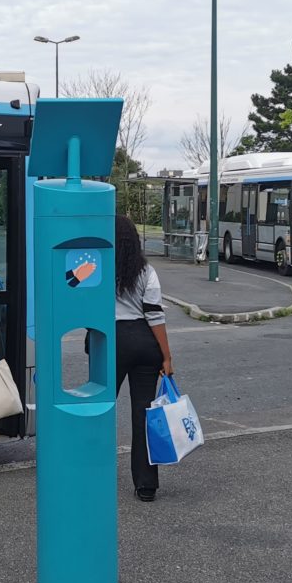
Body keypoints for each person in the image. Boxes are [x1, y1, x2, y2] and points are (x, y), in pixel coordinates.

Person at [115, 214, 174, 502]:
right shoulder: (145, 270)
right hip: (144, 341)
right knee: (143, 414)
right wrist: (167, 357)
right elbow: (155, 314)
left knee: (99, 412)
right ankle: (146, 484)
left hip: (109, 341)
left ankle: (89, 474)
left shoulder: (97, 268)